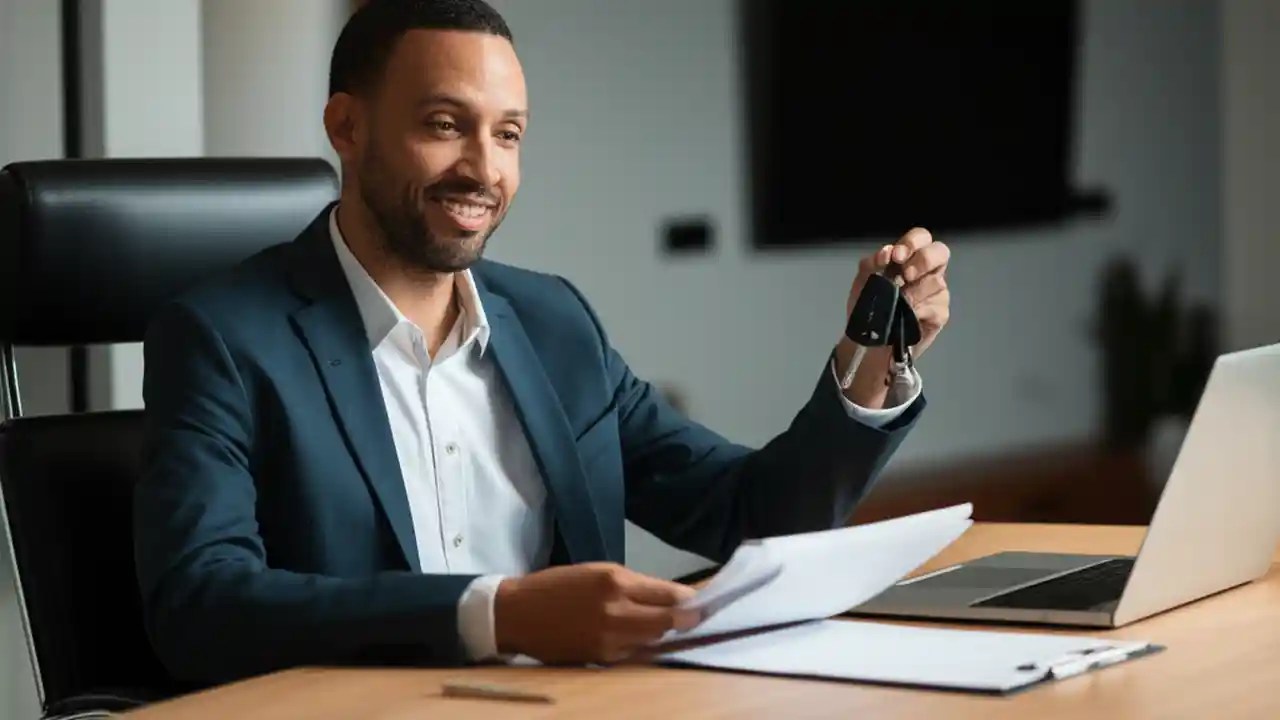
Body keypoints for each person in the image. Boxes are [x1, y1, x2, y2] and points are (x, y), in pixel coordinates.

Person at [134, 0, 952, 685]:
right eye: (446, 124)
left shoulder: (555, 323)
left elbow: (751, 512)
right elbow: (204, 607)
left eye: (509, 135)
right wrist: (498, 613)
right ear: (346, 126)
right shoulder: (222, 340)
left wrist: (870, 362)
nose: (482, 170)